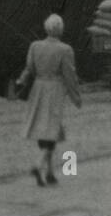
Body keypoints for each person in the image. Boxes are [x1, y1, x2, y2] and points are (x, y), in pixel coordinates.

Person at [18, 14, 82, 186]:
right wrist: (76, 96)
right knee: (52, 130)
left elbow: (29, 68)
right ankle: (39, 165)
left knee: (44, 130)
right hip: (55, 91)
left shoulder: (34, 46)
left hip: (38, 90)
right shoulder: (65, 49)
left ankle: (50, 173)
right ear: (60, 29)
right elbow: (70, 75)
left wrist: (21, 80)